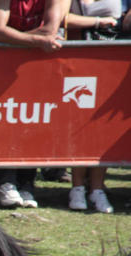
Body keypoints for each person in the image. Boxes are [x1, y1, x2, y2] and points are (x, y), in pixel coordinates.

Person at [0, 0, 69, 208]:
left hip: (36, 69)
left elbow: (51, 28)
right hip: (1, 69)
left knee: (33, 124)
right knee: (4, 123)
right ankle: (6, 183)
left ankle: (26, 185)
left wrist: (16, 39)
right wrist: (35, 41)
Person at [62, 0, 121, 214]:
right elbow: (62, 18)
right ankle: (77, 187)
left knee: (103, 128)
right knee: (81, 126)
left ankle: (97, 189)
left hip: (112, 60)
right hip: (78, 59)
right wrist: (98, 21)